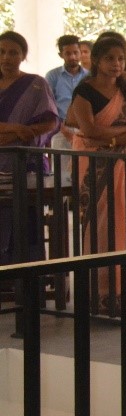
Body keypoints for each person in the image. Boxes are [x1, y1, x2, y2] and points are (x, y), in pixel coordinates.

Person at [68, 31, 126, 315]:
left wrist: (112, 138)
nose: (116, 64)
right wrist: (123, 133)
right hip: (92, 166)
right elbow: (89, 130)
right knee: (100, 229)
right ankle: (99, 298)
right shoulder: (85, 91)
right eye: (110, 58)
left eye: (121, 58)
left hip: (125, 167)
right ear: (98, 61)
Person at [0, 30, 59, 264]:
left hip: (26, 165)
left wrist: (27, 133)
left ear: (23, 55)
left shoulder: (35, 84)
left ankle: (29, 280)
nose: (6, 58)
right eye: (2, 52)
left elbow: (52, 121)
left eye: (13, 52)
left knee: (26, 220)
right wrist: (15, 129)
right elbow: (17, 130)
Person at [45, 34, 87, 152]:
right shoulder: (52, 76)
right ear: (61, 55)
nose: (72, 57)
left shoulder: (89, 76)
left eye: (75, 52)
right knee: (61, 169)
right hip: (61, 129)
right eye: (68, 53)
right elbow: (48, 104)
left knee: (83, 167)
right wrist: (59, 126)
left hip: (84, 129)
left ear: (80, 53)